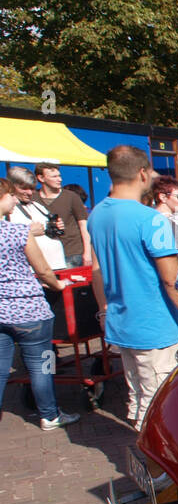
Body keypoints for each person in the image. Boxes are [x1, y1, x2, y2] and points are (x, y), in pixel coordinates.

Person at [89, 146, 178, 429]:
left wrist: (103, 312)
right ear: (143, 173)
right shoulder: (150, 219)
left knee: (138, 397)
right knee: (160, 407)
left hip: (123, 322)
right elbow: (171, 281)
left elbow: (96, 270)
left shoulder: (97, 214)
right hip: (155, 326)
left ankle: (142, 455)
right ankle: (152, 468)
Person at [0, 177, 80, 429]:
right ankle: (50, 414)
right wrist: (58, 284)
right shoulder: (17, 232)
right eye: (11, 195)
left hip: (1, 311)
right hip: (31, 311)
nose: (15, 199)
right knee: (43, 364)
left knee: (1, 368)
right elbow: (43, 270)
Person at [6, 166, 66, 270]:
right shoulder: (7, 210)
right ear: (12, 186)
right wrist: (28, 232)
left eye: (32, 188)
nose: (29, 193)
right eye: (24, 188)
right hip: (32, 271)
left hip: (57, 265)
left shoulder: (37, 206)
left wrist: (56, 227)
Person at [34, 162, 93, 267]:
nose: (59, 179)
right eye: (54, 176)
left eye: (59, 176)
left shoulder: (71, 197)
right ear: (41, 178)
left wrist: (87, 253)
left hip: (72, 252)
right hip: (45, 254)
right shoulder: (33, 198)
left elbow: (84, 225)